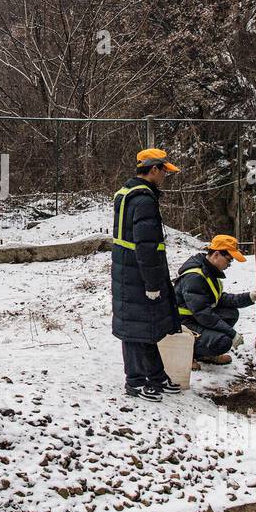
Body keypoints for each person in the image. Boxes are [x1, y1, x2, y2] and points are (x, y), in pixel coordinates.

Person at [111, 148, 182, 402]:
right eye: (164, 170)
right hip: (137, 273)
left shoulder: (128, 193)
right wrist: (152, 282)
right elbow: (147, 245)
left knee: (145, 325)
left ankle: (155, 375)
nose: (165, 175)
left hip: (128, 269)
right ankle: (136, 381)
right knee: (134, 329)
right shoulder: (143, 200)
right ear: (153, 169)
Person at [174, 235, 256, 365]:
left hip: (195, 318)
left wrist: (249, 297)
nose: (229, 265)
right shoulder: (194, 277)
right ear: (216, 254)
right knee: (224, 342)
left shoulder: (208, 271)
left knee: (231, 314)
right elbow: (203, 314)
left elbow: (219, 298)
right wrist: (231, 334)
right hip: (183, 323)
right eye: (229, 260)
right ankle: (187, 353)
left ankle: (205, 353)